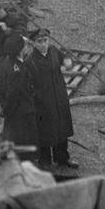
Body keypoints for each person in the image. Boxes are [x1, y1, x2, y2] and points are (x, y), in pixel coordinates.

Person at [28, 29, 74, 168]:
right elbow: (28, 85)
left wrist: (67, 59)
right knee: (45, 132)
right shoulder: (30, 61)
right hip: (43, 103)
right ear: (33, 43)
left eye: (45, 40)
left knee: (62, 128)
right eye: (39, 42)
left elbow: (65, 60)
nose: (43, 44)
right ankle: (45, 161)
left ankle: (62, 158)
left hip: (59, 98)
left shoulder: (54, 51)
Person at [0, 33, 38, 160]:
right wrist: (6, 111)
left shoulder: (8, 62)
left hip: (14, 112)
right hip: (22, 113)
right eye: (24, 46)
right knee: (24, 145)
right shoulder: (17, 71)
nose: (27, 47)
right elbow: (12, 94)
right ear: (20, 50)